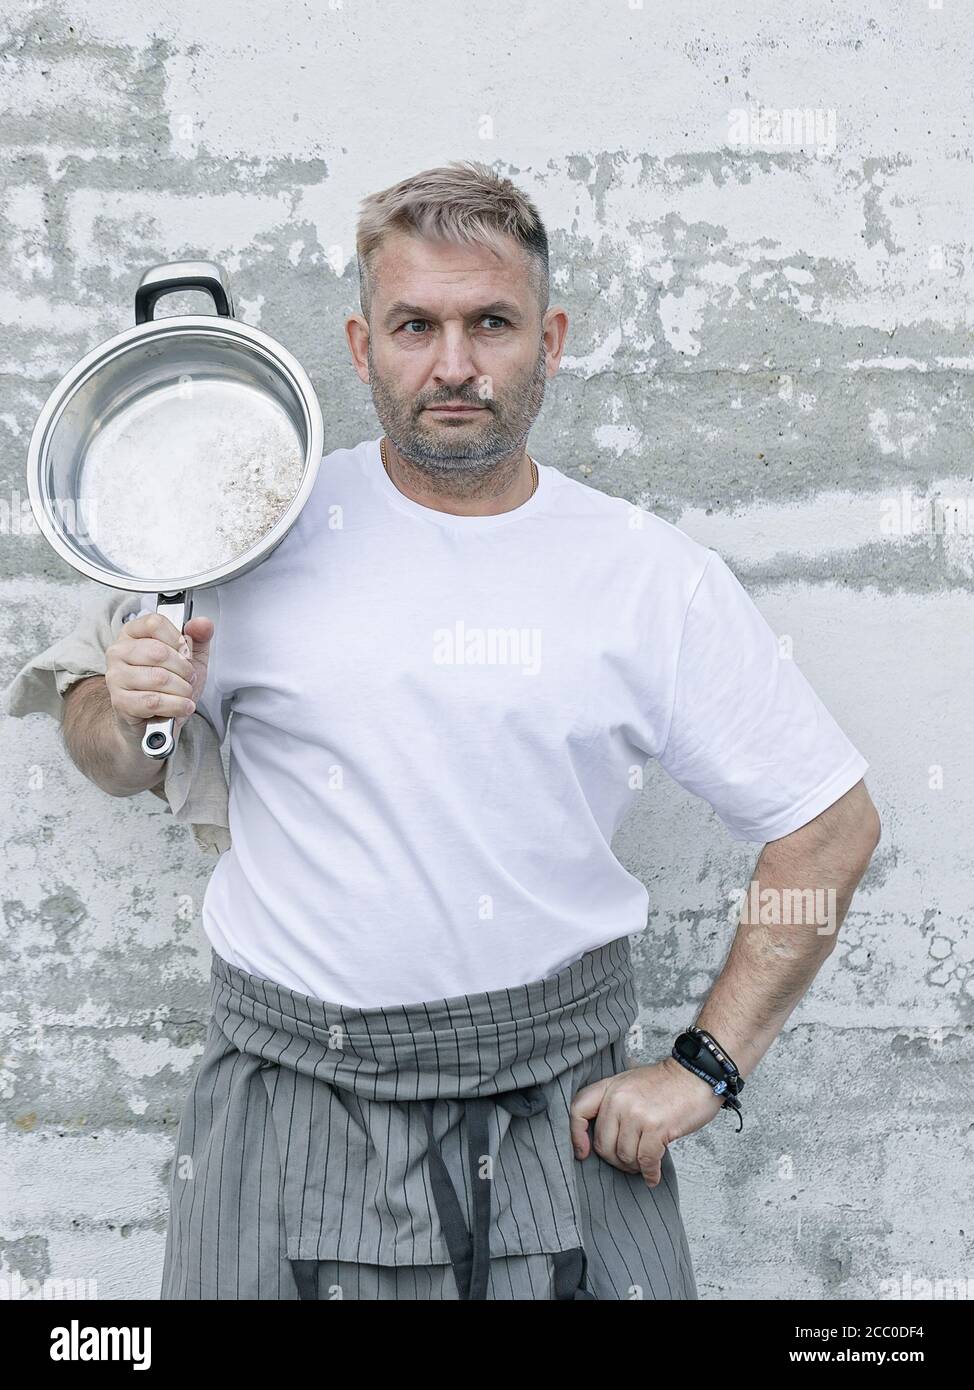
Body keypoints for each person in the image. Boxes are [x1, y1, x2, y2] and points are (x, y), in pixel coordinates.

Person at [4, 160, 880, 1301]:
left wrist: (702, 1070)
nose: (452, 365)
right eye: (415, 325)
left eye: (491, 323)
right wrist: (120, 709)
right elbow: (108, 755)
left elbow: (829, 824)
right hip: (285, 1101)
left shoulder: (646, 578)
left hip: (550, 1114)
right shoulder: (245, 532)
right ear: (363, 344)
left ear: (550, 338)